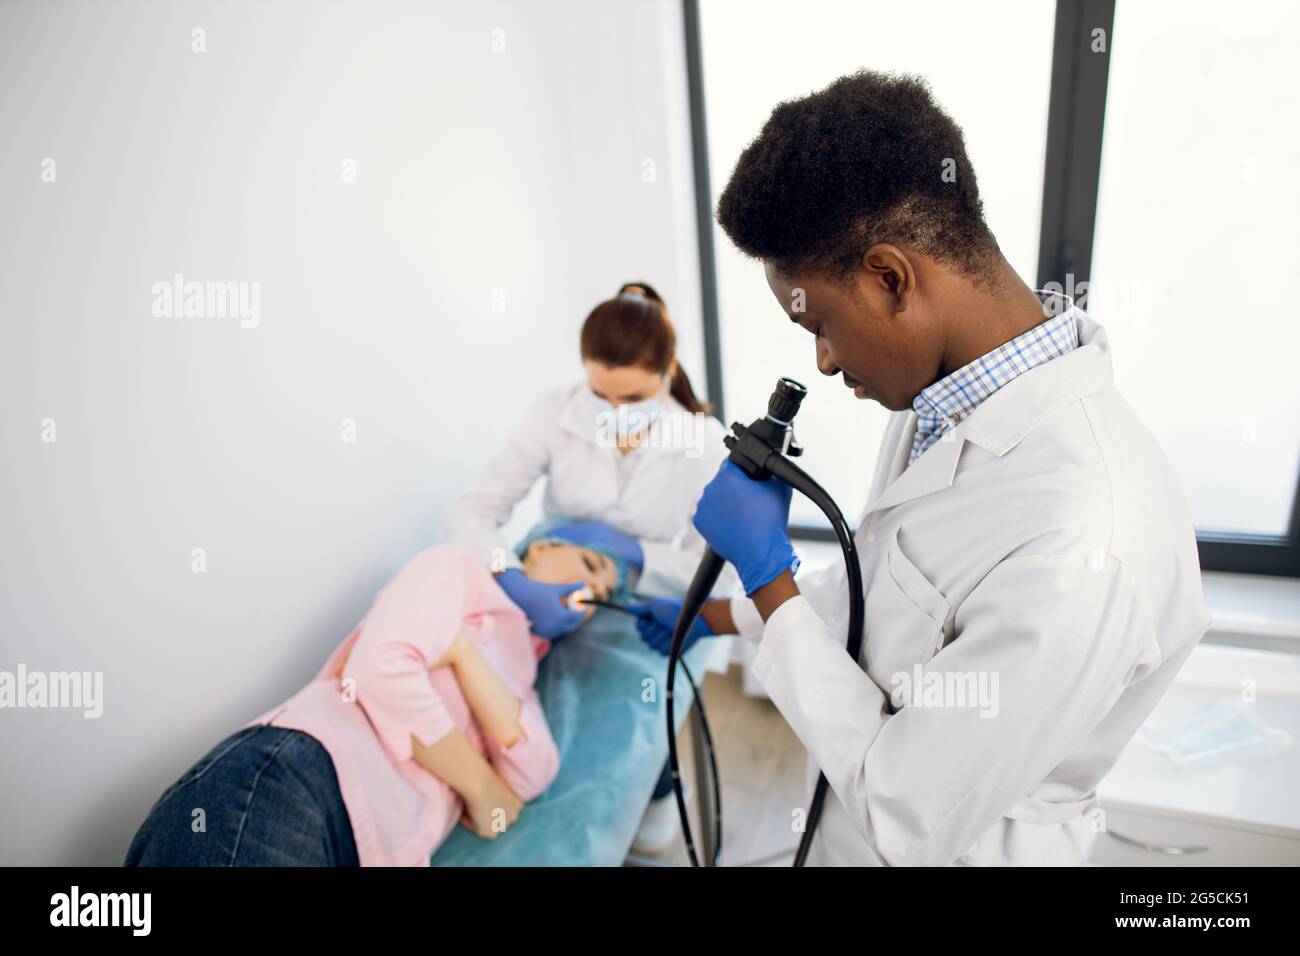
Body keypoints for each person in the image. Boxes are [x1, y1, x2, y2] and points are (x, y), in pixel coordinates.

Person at [635, 71, 1210, 866]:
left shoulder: (1088, 539)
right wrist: (722, 615)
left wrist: (767, 575)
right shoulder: (941, 403)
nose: (825, 362)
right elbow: (888, 598)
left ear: (891, 277)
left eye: (822, 323)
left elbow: (908, 811)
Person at [446, 282, 735, 852]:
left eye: (631, 398)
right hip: (547, 581)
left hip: (652, 600)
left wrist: (635, 554)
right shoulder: (553, 412)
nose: (612, 415)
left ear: (667, 370)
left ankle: (650, 791)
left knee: (620, 740)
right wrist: (509, 575)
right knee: (517, 723)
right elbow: (473, 512)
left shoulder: (702, 445)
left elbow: (717, 574)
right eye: (600, 395)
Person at [125, 538, 620, 866]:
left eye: (604, 593)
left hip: (369, 846)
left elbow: (532, 777)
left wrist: (464, 655)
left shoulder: (523, 668)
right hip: (301, 784)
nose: (594, 589)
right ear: (542, 545)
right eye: (592, 565)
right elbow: (379, 670)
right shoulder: (459, 570)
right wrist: (480, 783)